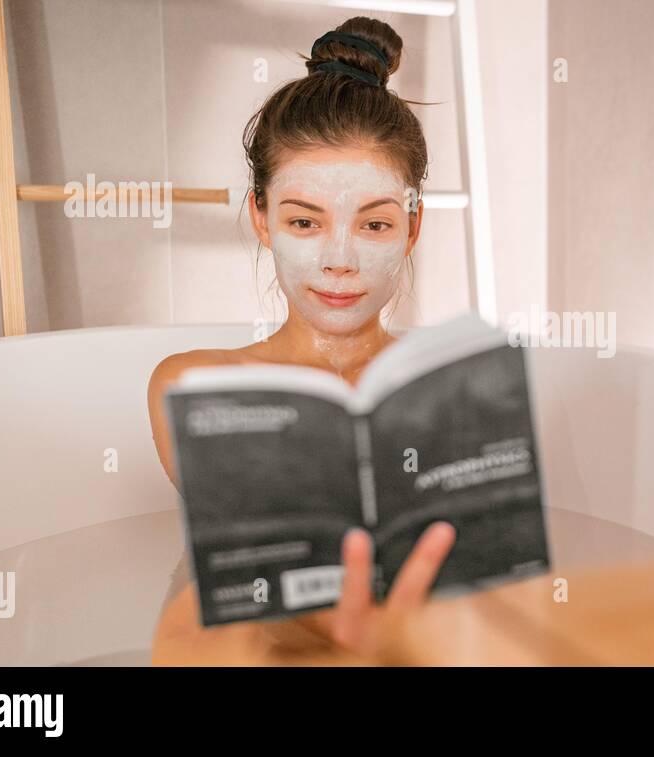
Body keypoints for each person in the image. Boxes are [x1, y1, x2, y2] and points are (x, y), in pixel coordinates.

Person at [148, 16, 455, 663]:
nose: (338, 259)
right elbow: (258, 585)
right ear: (261, 216)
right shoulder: (193, 385)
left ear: (412, 226)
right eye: (305, 221)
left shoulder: (449, 385)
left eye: (373, 223)